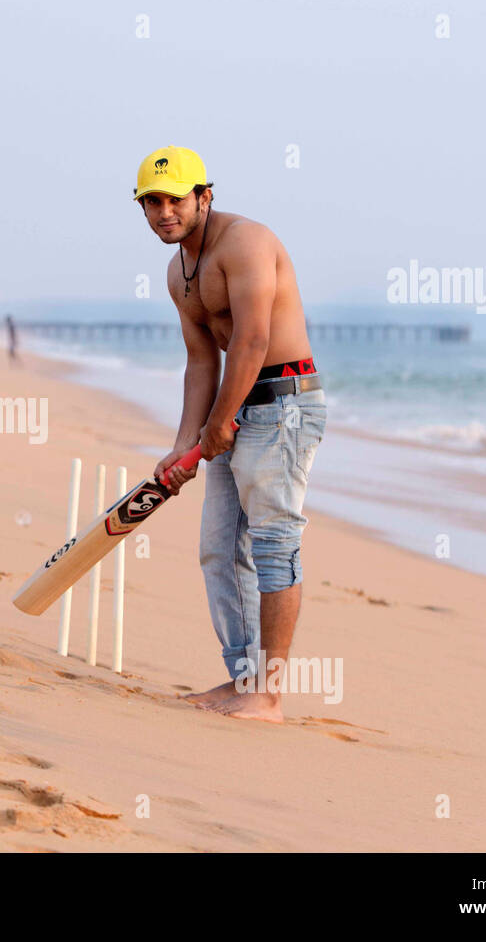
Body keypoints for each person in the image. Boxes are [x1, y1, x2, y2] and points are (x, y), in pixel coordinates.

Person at [136, 146, 325, 723]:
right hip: (234, 409)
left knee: (272, 544)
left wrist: (218, 426)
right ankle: (243, 678)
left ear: (204, 197)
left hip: (283, 404)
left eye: (175, 199)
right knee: (220, 550)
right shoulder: (177, 273)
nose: (164, 211)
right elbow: (201, 361)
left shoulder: (246, 242)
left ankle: (267, 695)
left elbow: (251, 342)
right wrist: (184, 441)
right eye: (152, 202)